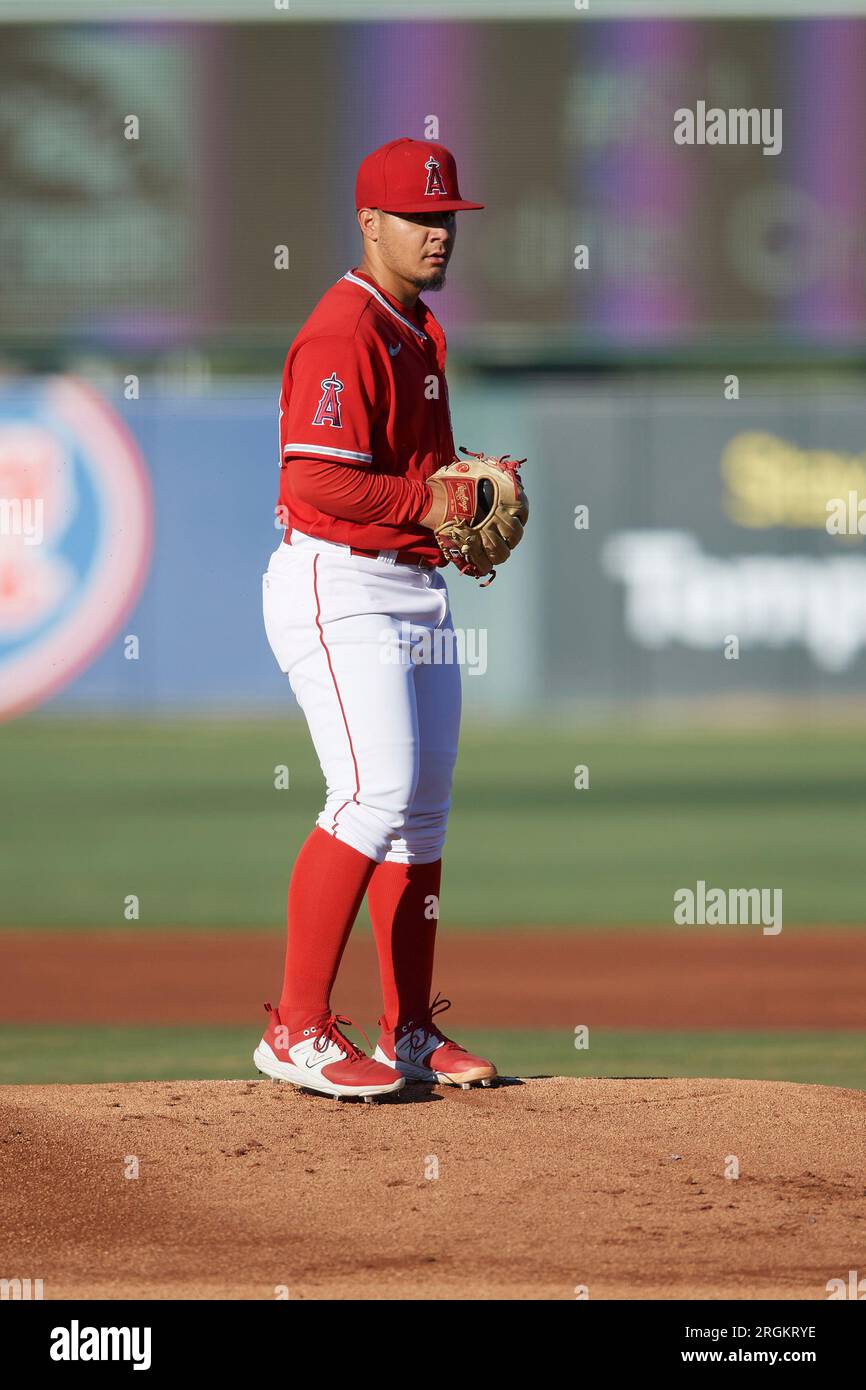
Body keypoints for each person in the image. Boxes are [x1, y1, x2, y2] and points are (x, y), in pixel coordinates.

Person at [253, 138, 499, 1101]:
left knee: (422, 810)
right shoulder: (343, 331)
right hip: (339, 582)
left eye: (446, 219)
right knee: (371, 793)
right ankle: (297, 1029)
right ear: (370, 222)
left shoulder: (418, 327)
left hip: (410, 585)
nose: (438, 234)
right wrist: (427, 506)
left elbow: (419, 484)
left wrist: (451, 517)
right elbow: (313, 477)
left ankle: (408, 1033)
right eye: (418, 219)